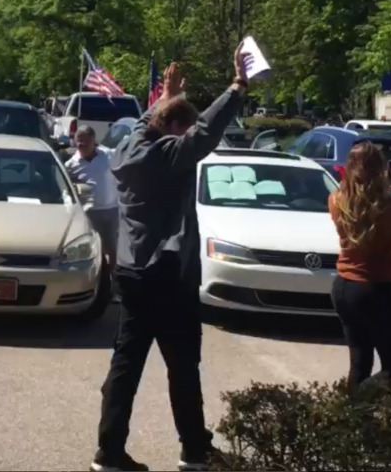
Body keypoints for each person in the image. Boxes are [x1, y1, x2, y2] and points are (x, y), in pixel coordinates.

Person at [91, 47, 250, 472]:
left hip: (131, 271)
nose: (188, 135)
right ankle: (194, 451)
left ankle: (108, 451)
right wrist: (237, 86)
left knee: (125, 364)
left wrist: (166, 94)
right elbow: (205, 133)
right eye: (184, 127)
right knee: (183, 367)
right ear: (176, 128)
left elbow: (150, 122)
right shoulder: (167, 155)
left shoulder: (125, 151)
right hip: (167, 274)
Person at [328, 142, 391, 390]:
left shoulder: (336, 200)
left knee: (360, 361)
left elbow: (360, 201)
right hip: (376, 290)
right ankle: (356, 404)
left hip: (344, 288)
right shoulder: (388, 206)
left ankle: (352, 419)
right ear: (380, 170)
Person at [66, 125, 118, 271]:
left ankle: (113, 279)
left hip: (112, 209)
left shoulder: (108, 155)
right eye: (78, 140)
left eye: (85, 141)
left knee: (113, 248)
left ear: (93, 141)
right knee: (95, 248)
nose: (81, 144)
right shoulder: (71, 165)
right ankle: (98, 276)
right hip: (90, 212)